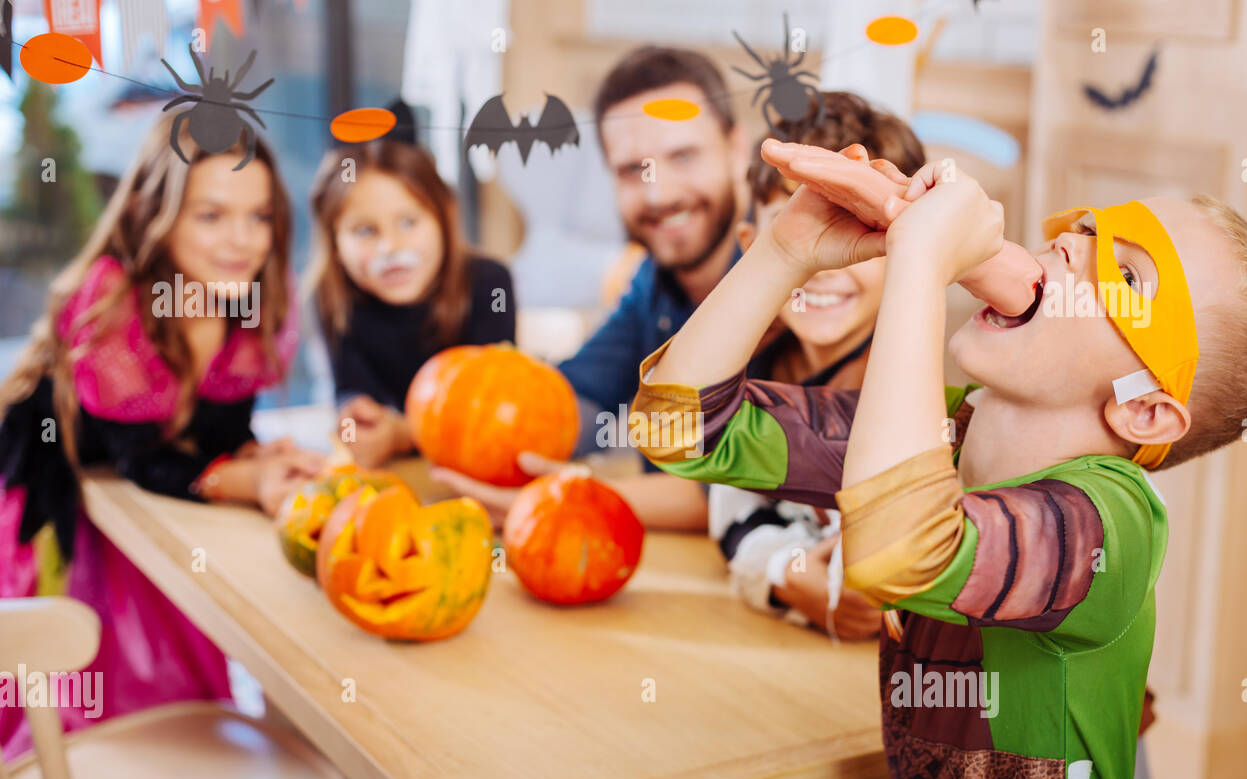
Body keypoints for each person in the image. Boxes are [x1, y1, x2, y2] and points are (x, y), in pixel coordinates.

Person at [630, 139, 1247, 779]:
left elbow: (897, 551)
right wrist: (785, 251)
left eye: (1128, 274)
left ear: (1147, 411)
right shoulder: (945, 430)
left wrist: (918, 266)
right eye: (1089, 228)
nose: (1071, 245)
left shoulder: (1116, 520)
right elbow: (679, 428)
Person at [0, 113, 324, 758]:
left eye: (259, 216)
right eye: (211, 215)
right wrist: (247, 479)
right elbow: (144, 459)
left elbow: (216, 426)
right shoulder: (114, 301)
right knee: (77, 698)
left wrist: (255, 455)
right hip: (53, 497)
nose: (241, 240)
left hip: (132, 497)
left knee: (184, 663)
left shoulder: (247, 302)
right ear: (158, 213)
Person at [435, 46, 753, 530]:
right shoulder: (652, 284)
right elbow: (572, 402)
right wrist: (478, 422)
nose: (658, 194)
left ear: (737, 150)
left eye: (683, 156)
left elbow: (737, 485)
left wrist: (567, 491)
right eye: (631, 170)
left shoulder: (792, 287)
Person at [713, 91, 924, 644]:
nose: (825, 264)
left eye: (858, 227)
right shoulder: (747, 375)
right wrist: (787, 571)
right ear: (750, 246)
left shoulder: (933, 383)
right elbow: (731, 513)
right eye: (798, 226)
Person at [305, 106, 515, 468]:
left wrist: (403, 434)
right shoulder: (330, 298)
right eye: (365, 231)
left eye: (408, 222)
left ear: (445, 216)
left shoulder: (489, 284)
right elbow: (350, 391)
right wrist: (355, 418)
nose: (391, 247)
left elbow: (489, 410)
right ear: (333, 241)